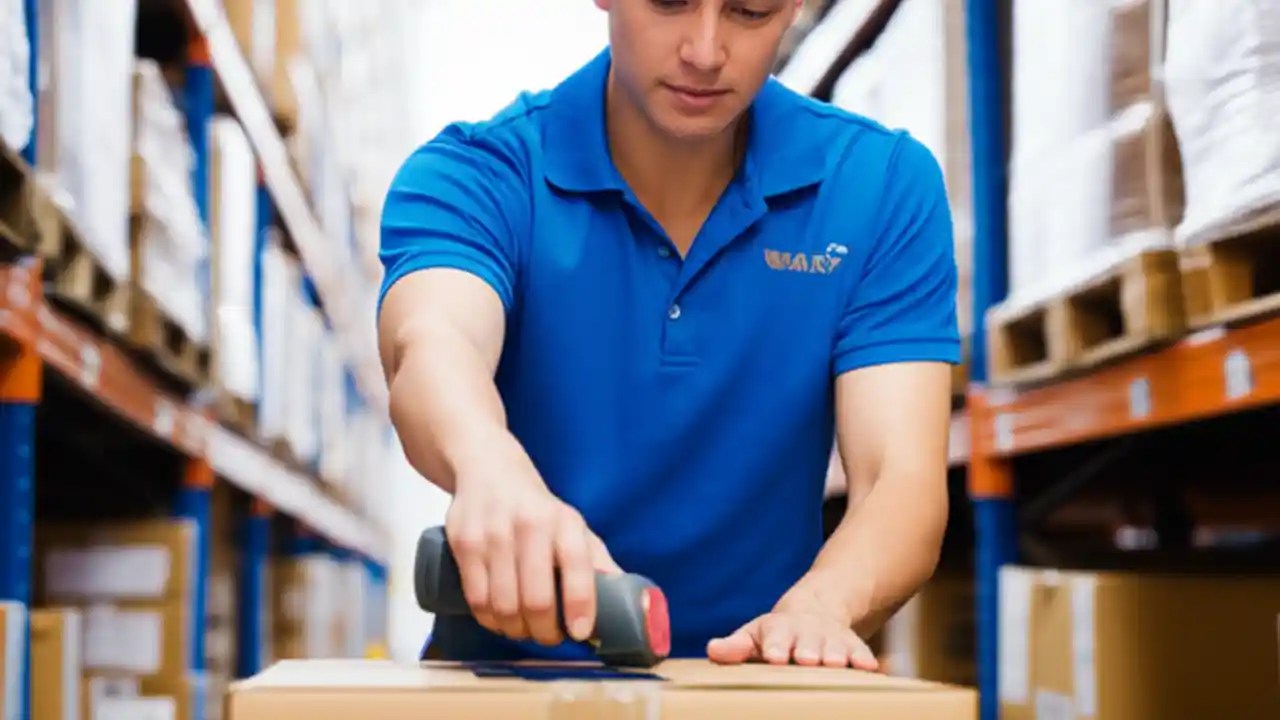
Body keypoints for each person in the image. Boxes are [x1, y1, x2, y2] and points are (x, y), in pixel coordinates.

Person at [377, 0, 959, 669]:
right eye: (670, 2)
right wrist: (488, 467)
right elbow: (432, 344)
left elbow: (900, 480)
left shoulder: (881, 186)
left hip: (752, 684)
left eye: (750, 11)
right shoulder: (478, 175)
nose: (706, 51)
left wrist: (822, 607)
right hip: (501, 685)